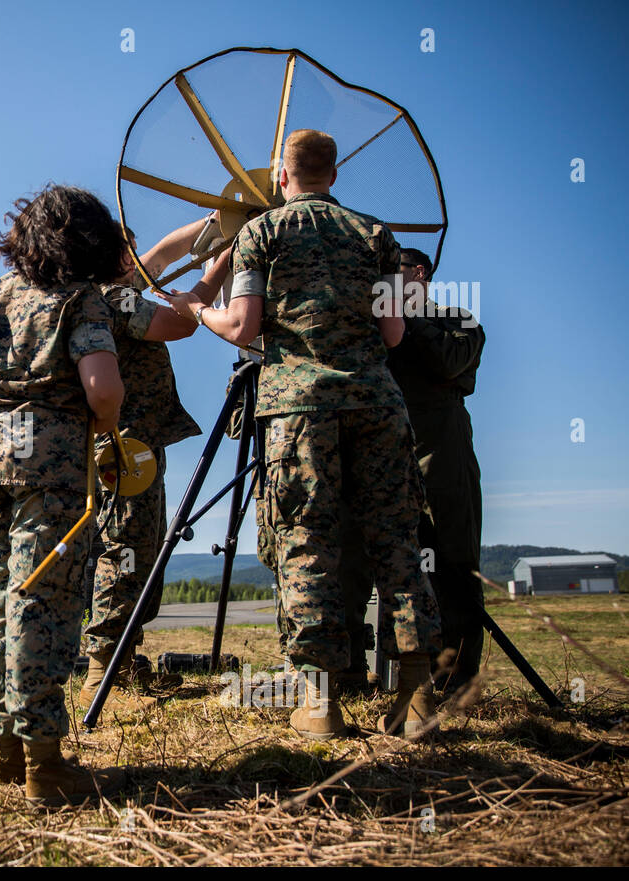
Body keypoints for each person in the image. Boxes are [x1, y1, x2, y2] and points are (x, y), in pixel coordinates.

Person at [164, 129, 441, 739]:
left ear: (281, 180)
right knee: (396, 538)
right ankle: (417, 697)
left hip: (298, 411)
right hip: (376, 404)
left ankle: (319, 705)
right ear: (334, 176)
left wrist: (194, 310)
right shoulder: (375, 235)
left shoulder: (263, 233)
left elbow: (241, 327)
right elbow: (393, 335)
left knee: (305, 540)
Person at [0, 185, 202, 804]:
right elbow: (104, 389)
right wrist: (104, 427)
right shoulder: (80, 300)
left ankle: (4, 751)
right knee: (44, 606)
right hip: (48, 471)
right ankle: (45, 766)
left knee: (2, 604)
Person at [78, 218, 230, 713]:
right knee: (124, 549)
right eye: (129, 252)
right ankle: (102, 663)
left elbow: (163, 255)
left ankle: (121, 659)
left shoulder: (108, 292)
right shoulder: (114, 299)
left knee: (139, 547)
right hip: (125, 448)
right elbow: (181, 325)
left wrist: (216, 224)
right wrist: (211, 279)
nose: (138, 259)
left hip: (133, 445)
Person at [389, 247, 486, 693]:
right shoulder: (381, 324)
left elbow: (448, 361)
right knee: (399, 567)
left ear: (419, 273)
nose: (385, 283)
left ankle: (455, 682)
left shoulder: (458, 319)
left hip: (441, 457)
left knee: (452, 563)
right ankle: (400, 677)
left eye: (395, 273)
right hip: (388, 455)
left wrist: (405, 315)